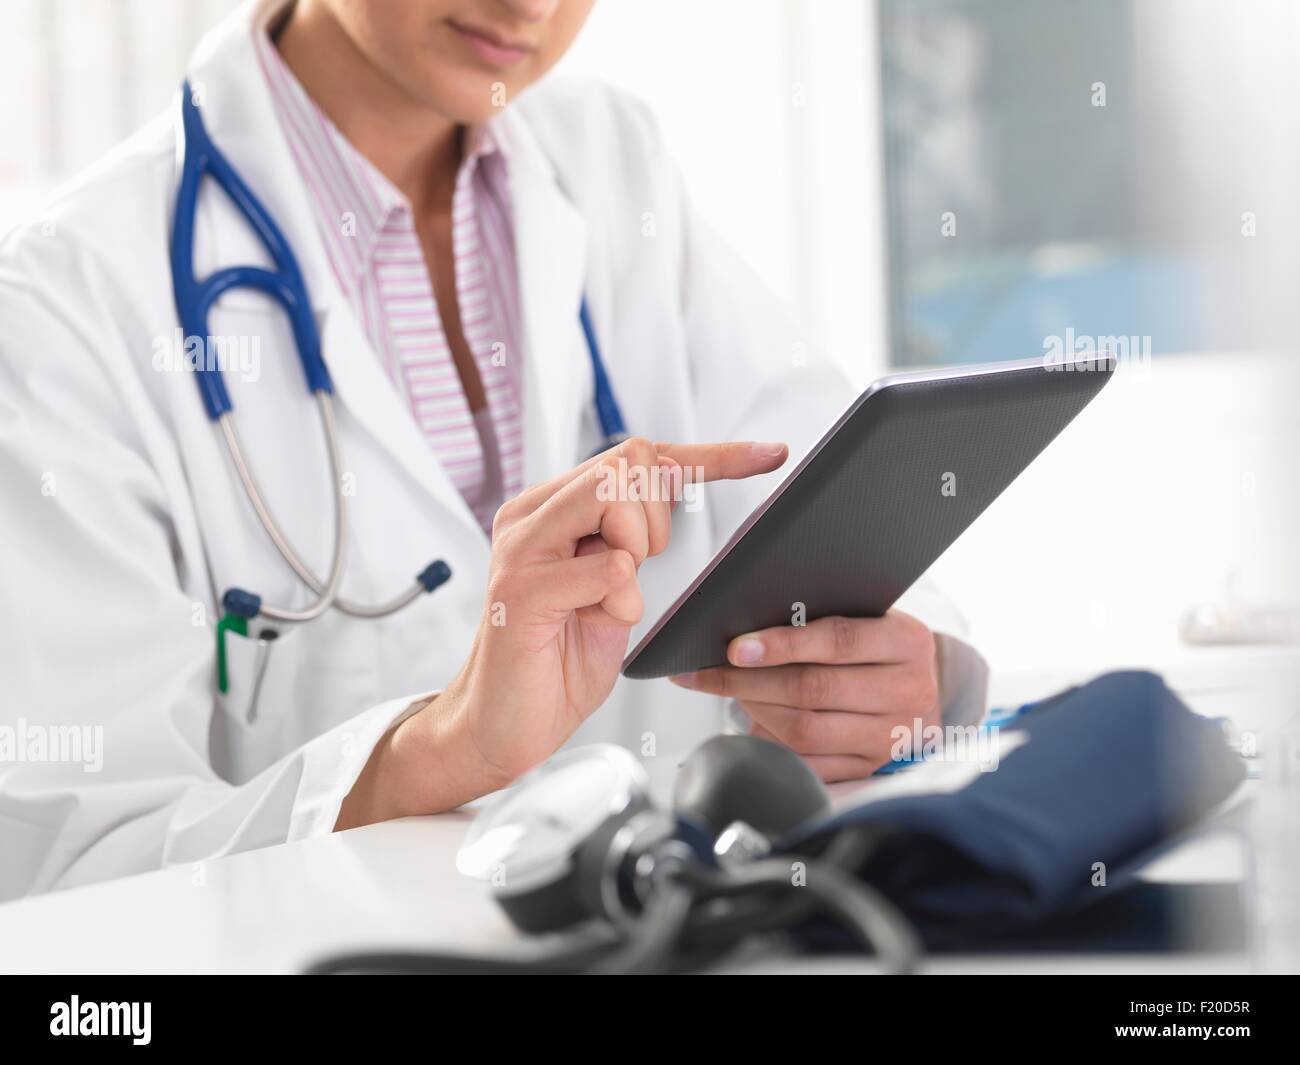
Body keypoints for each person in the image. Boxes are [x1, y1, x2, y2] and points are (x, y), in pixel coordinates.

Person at [0, 0, 986, 900]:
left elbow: (835, 493)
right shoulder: (65, 308)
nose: (532, 9)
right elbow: (68, 868)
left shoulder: (608, 160)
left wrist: (906, 676)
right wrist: (441, 752)